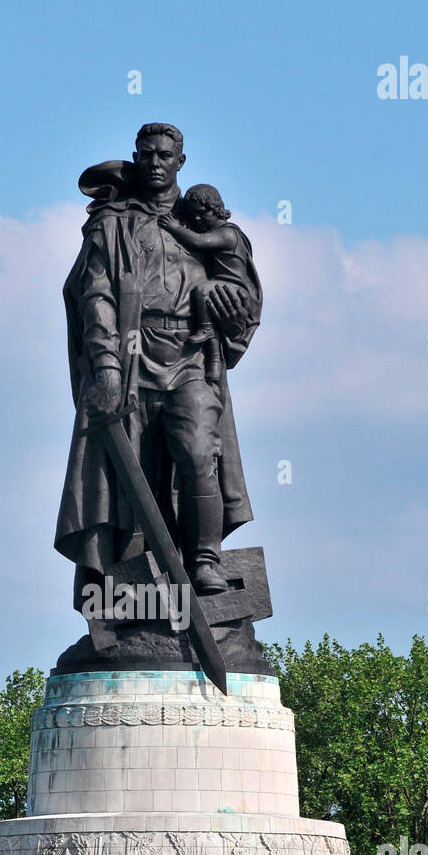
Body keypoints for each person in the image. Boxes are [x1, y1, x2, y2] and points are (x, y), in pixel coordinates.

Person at [56, 123, 263, 604]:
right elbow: (95, 295)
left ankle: (205, 559)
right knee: (132, 476)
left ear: (180, 162)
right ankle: (136, 583)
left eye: (164, 155)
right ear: (136, 156)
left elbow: (243, 291)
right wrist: (106, 364)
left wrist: (230, 303)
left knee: (197, 452)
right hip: (130, 355)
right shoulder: (112, 223)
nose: (154, 163)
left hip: (190, 352)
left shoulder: (204, 224)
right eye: (146, 154)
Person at [158, 185, 254, 384]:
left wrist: (175, 228)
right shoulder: (218, 230)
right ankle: (214, 362)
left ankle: (205, 327)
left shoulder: (228, 234)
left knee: (202, 290)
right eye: (193, 215)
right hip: (221, 288)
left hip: (233, 289)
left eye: (202, 214)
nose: (197, 220)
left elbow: (200, 242)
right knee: (212, 332)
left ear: (216, 209)